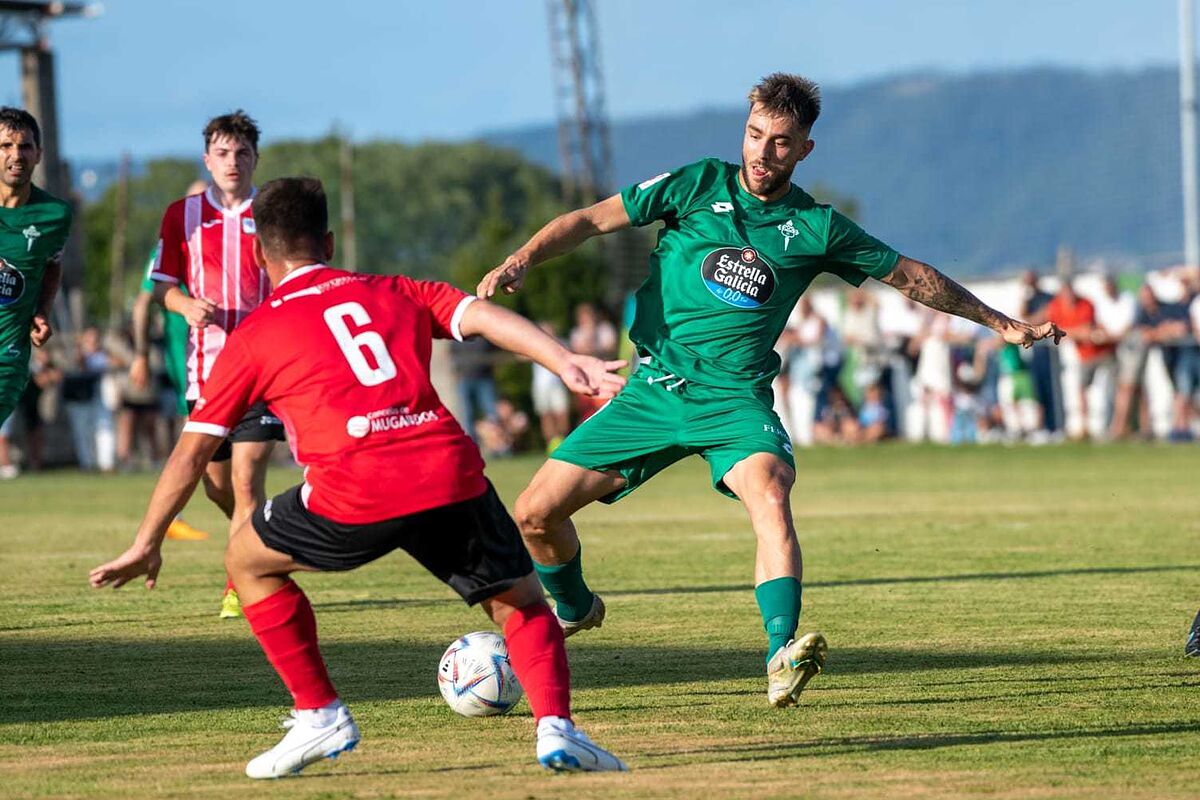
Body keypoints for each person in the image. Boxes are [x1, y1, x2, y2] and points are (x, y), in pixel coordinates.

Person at [476, 72, 1062, 709]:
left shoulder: (815, 227)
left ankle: (781, 653)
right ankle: (575, 607)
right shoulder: (697, 183)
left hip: (734, 402)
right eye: (755, 134)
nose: (763, 152)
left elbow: (911, 276)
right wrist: (524, 257)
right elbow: (591, 220)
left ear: (805, 148)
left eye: (781, 142)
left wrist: (1000, 322)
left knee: (770, 494)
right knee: (533, 515)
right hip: (651, 390)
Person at [89, 177, 628, 777]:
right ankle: (556, 729)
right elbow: (481, 316)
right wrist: (566, 361)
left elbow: (191, 453)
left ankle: (320, 714)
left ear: (262, 256)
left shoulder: (256, 335)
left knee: (245, 559)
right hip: (446, 469)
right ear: (329, 240)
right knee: (523, 605)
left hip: (354, 489)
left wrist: (147, 541)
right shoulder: (396, 289)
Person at [149, 112, 283, 615]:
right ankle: (259, 533)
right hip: (206, 372)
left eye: (242, 153)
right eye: (223, 153)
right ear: (207, 159)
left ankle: (239, 583)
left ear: (255, 159)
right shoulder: (181, 215)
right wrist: (186, 306)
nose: (233, 162)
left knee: (248, 482)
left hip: (265, 370)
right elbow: (163, 286)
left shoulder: (272, 211)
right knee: (218, 486)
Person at [131, 179, 212, 541]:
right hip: (188, 354)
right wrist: (140, 355)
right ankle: (171, 514)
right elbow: (143, 303)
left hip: (222, 351)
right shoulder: (171, 247)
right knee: (191, 428)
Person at [0, 108, 72, 430]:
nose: (16, 155)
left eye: (25, 146)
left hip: (8, 358)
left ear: (38, 154)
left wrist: (42, 310)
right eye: (5, 146)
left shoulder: (54, 215)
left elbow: (52, 265)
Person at [1043, 278, 1115, 440]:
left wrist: (1070, 332)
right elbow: (1057, 329)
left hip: (1103, 352)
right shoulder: (1056, 306)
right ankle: (1084, 426)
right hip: (1083, 355)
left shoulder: (1086, 304)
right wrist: (1075, 332)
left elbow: (1087, 329)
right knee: (1080, 389)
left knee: (1108, 389)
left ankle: (1111, 427)